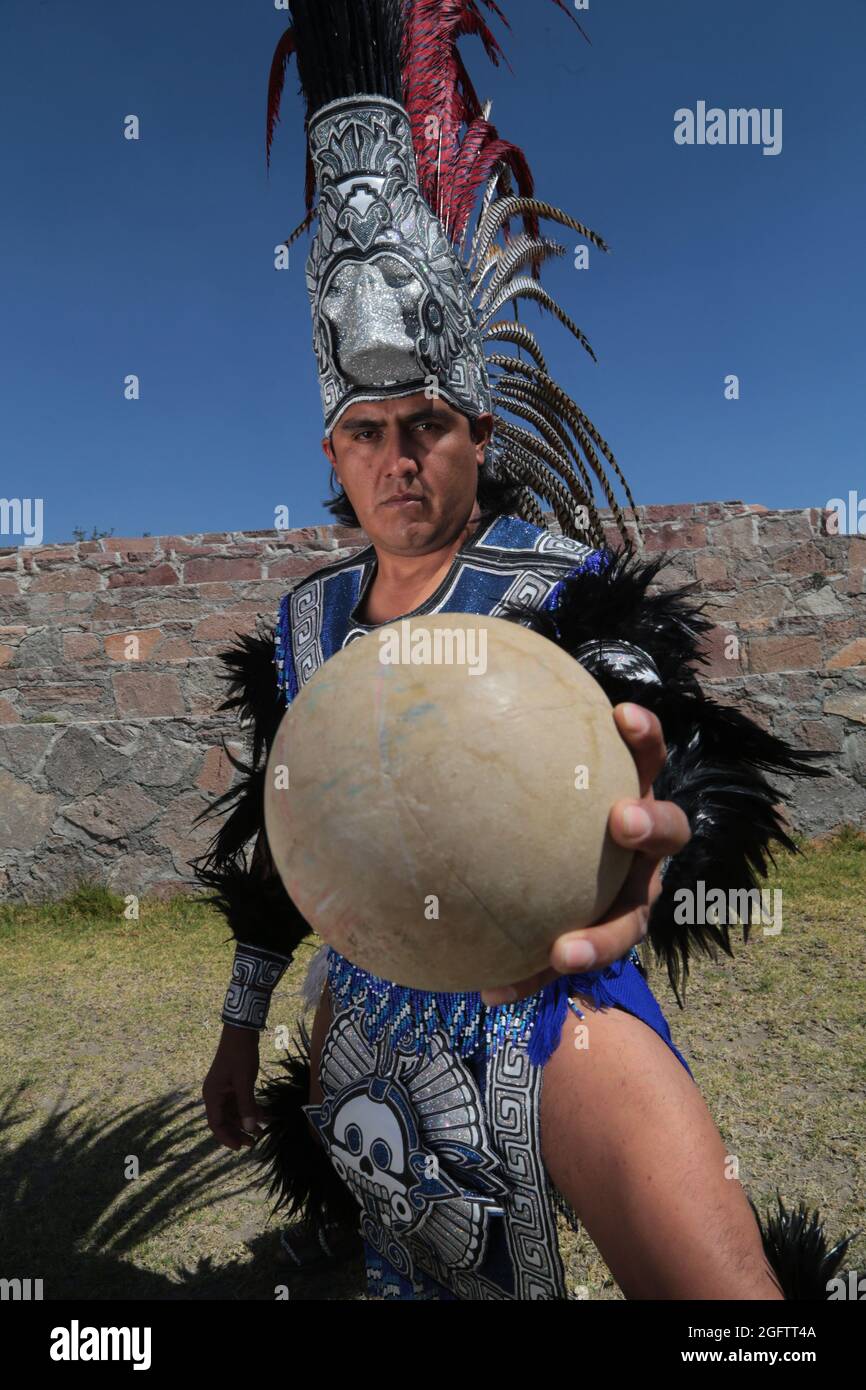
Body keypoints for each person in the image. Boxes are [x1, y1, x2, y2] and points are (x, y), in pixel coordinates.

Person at [197, 0, 849, 1300]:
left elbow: (685, 770)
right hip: (362, 1016)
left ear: (472, 431)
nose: (395, 454)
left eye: (423, 422)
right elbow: (284, 836)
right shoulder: (306, 624)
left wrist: (661, 820)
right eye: (365, 425)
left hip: (552, 1021)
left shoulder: (566, 595)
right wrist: (240, 1022)